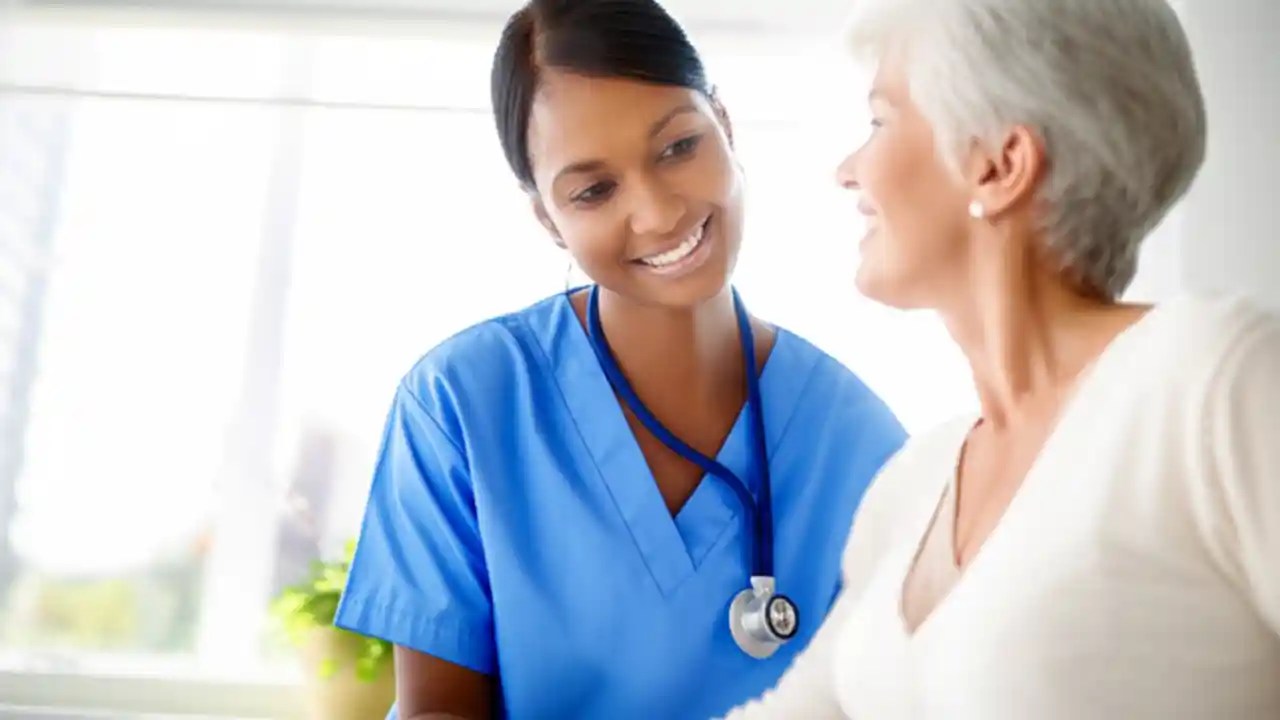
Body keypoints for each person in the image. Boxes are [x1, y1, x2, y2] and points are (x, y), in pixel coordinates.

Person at [333, 1, 907, 718]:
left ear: (724, 128)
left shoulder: (860, 443)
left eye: (678, 148)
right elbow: (437, 708)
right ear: (548, 217)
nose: (659, 212)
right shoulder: (461, 404)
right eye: (594, 190)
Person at [723, 0, 1280, 717]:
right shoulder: (917, 481)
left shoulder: (1209, 380)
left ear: (999, 164)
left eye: (879, 121)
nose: (847, 171)